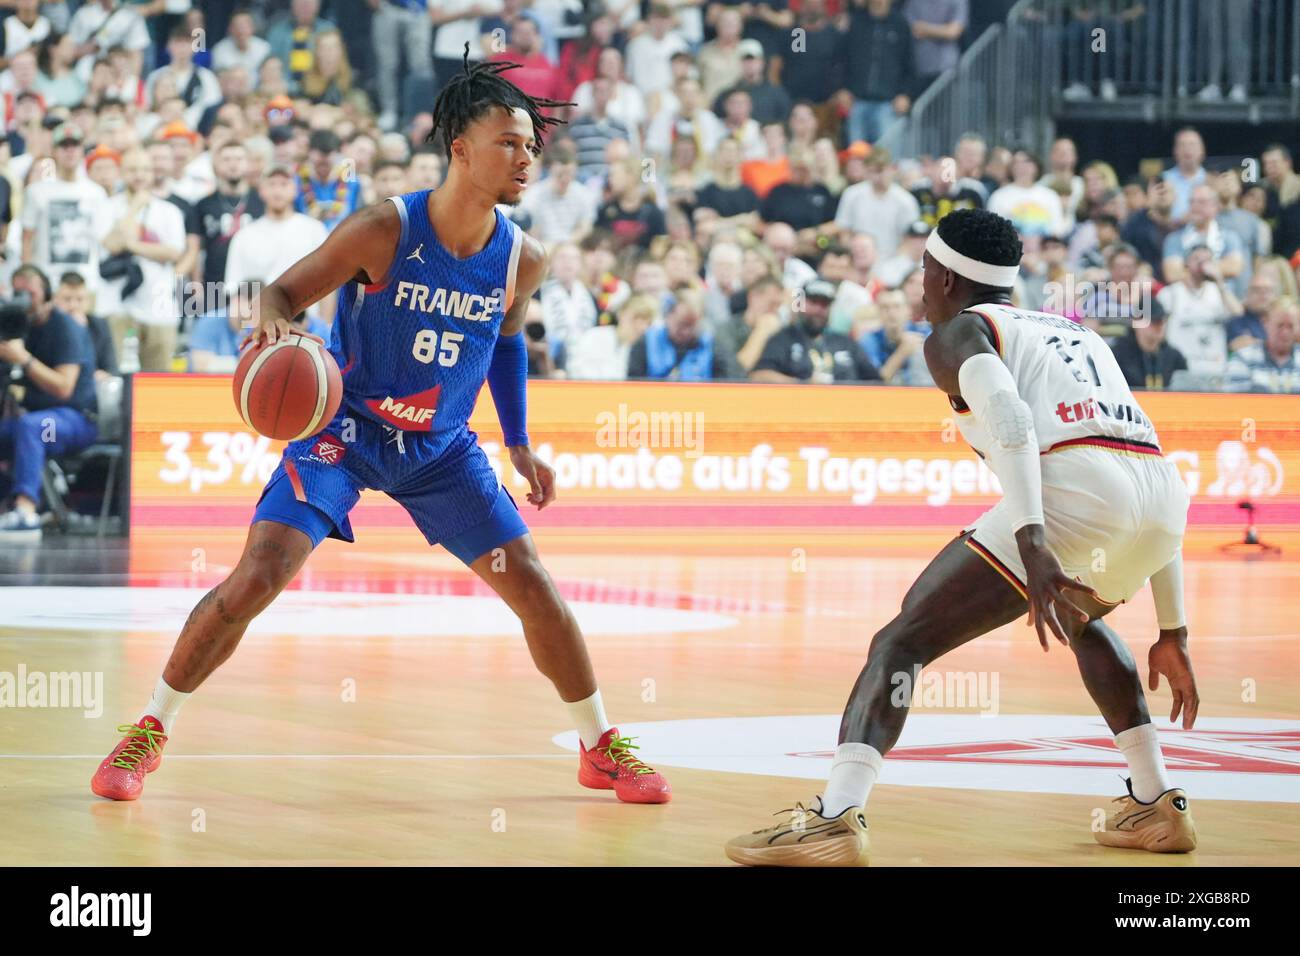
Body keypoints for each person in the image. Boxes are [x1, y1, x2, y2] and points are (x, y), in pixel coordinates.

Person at [91, 46, 671, 808]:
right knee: (261, 571)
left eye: (532, 144)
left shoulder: (521, 259)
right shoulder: (383, 230)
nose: (526, 157)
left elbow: (505, 343)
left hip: (441, 449)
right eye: (508, 142)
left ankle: (599, 746)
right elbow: (281, 294)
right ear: (460, 149)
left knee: (532, 584)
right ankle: (149, 729)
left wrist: (519, 443)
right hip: (345, 432)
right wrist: (276, 329)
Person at [726, 209, 1198, 866]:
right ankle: (1156, 802)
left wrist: (1032, 538)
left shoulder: (956, 333)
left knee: (901, 642)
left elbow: (1009, 418)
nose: (919, 284)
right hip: (1163, 500)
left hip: (1077, 493)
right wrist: (1174, 630)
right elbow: (1141, 470)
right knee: (1082, 621)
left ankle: (835, 817)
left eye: (924, 270)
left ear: (946, 278)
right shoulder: (1076, 332)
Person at [0, 265, 98, 541]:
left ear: (47, 295)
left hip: (75, 421)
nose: (23, 300)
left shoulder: (65, 327)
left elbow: (64, 388)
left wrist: (23, 359)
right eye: (17, 292)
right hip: (31, 418)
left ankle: (26, 512)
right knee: (20, 427)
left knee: (33, 427)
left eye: (29, 293)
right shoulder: (15, 327)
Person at [750, 278, 880, 383]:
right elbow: (759, 376)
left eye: (824, 304)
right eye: (813, 302)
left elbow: (876, 382)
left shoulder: (845, 343)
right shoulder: (783, 339)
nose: (818, 309)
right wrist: (803, 385)